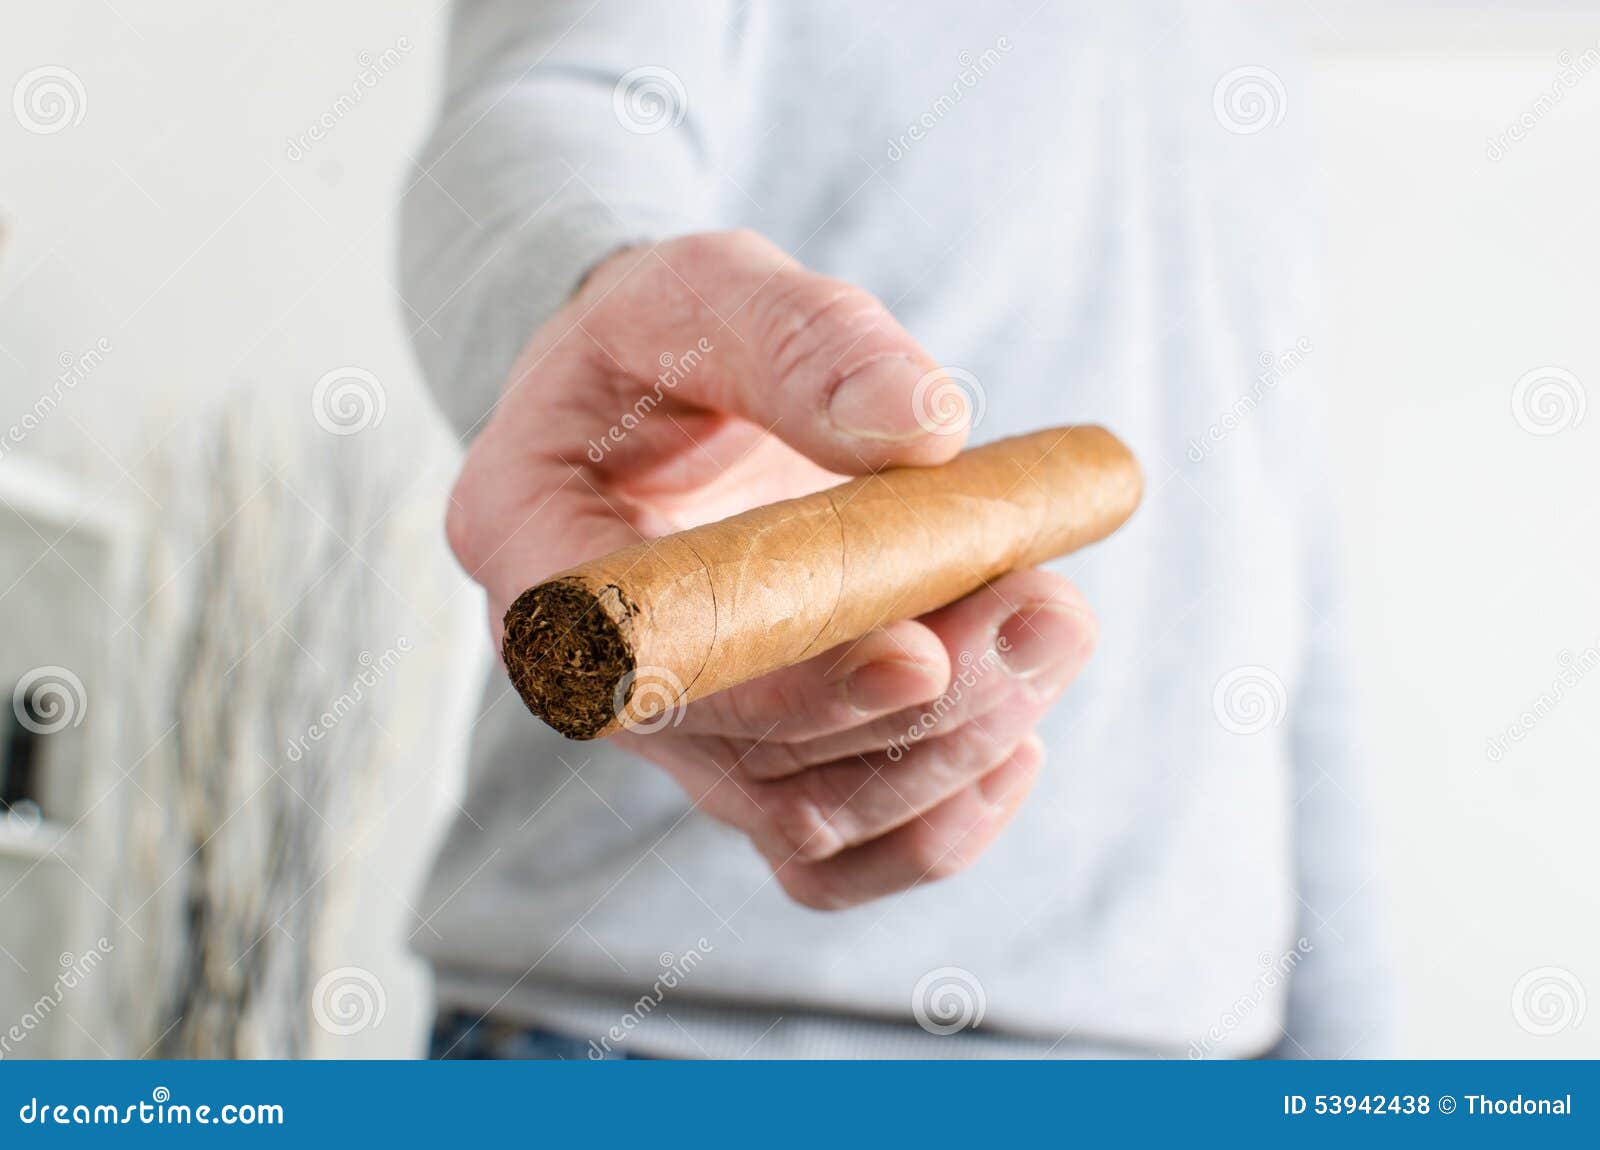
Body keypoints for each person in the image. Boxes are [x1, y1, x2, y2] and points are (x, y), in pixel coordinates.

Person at [400, 0, 1392, 1059]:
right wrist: (582, 295)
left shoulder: (1251, 42)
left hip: (1187, 1055)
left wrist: (1350, 1053)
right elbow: (548, 107)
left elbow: (1283, 574)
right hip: (661, 1035)